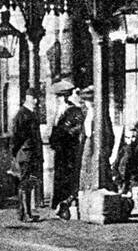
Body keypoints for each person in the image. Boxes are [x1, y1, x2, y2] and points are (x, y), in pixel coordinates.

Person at [48, 81, 86, 219]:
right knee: (59, 177)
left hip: (69, 150)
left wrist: (65, 133)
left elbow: (77, 129)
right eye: (58, 97)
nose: (60, 100)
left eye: (62, 97)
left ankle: (66, 206)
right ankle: (58, 204)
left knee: (68, 177)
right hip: (60, 150)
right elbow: (54, 130)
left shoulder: (75, 111)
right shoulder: (57, 112)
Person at [9, 86, 43, 222]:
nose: (36, 101)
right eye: (34, 98)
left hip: (32, 153)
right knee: (25, 183)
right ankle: (26, 214)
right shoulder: (22, 114)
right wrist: (16, 153)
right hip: (25, 153)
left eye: (37, 98)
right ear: (28, 98)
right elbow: (16, 137)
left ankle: (24, 213)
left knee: (29, 182)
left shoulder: (31, 113)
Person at [115, 121, 138, 193]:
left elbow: (135, 166)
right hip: (122, 180)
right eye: (130, 131)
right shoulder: (126, 146)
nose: (132, 133)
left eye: (134, 130)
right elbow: (117, 161)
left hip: (134, 180)